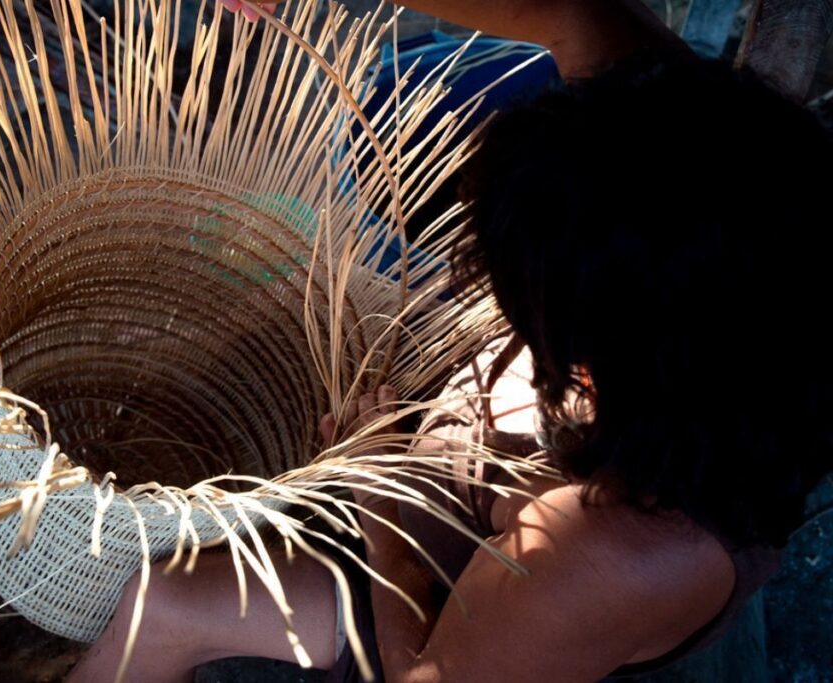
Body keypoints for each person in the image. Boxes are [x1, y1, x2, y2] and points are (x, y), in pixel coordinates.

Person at [68, 1, 833, 681]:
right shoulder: (707, 171)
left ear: (595, 371)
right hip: (486, 476)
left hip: (446, 579)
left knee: (157, 604)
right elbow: (571, 13)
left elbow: (427, 671)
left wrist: (384, 510)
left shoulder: (614, 552)